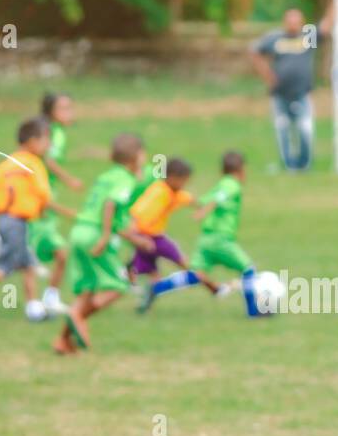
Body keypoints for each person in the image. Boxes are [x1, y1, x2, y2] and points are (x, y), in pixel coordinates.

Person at [0, 118, 72, 322]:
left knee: (27, 264)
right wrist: (54, 211)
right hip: (18, 221)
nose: (49, 146)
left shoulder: (6, 164)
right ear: (33, 141)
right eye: (46, 141)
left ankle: (33, 308)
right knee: (6, 266)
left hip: (4, 219)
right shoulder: (34, 164)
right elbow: (44, 195)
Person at [52, 133, 155, 355]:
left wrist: (136, 239)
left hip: (79, 232)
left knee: (88, 289)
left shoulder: (106, 176)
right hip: (95, 234)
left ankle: (63, 341)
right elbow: (109, 205)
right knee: (118, 286)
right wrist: (105, 237)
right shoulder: (125, 180)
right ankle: (76, 316)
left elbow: (116, 219)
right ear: (135, 158)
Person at [146, 151, 264, 317]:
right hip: (221, 240)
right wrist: (204, 211)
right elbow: (218, 199)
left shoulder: (220, 183)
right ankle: (254, 312)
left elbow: (202, 200)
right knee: (248, 270)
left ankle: (157, 288)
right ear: (240, 170)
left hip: (206, 240)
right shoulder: (232, 184)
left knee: (195, 275)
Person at [128, 158, 221, 309]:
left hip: (148, 239)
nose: (184, 184)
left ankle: (144, 302)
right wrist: (136, 236)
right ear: (172, 177)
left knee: (153, 275)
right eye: (183, 181)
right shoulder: (158, 192)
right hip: (152, 238)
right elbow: (137, 214)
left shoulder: (174, 192)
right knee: (187, 264)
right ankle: (215, 288)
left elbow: (193, 201)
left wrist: (210, 205)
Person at [250, 4, 335, 171]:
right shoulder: (276, 38)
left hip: (302, 92)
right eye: (290, 19)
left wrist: (335, 1)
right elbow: (255, 51)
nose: (293, 23)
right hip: (280, 94)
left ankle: (304, 165)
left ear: (302, 22)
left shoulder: (308, 36)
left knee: (305, 129)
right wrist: (267, 75)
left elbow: (326, 26)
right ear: (285, 21)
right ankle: (289, 165)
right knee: (283, 130)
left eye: (296, 19)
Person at [32, 92, 81, 314]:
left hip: (45, 195)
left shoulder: (57, 132)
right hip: (40, 196)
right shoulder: (50, 133)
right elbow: (47, 161)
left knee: (40, 250)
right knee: (60, 253)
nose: (69, 113)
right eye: (63, 108)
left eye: (70, 108)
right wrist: (69, 179)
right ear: (50, 112)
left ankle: (47, 298)